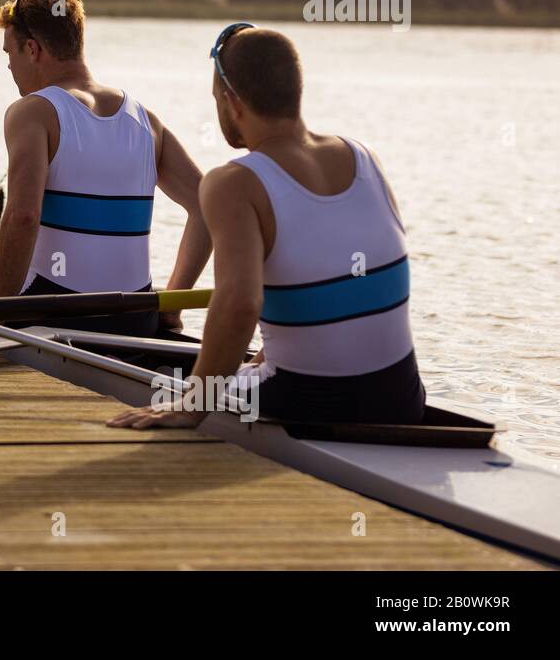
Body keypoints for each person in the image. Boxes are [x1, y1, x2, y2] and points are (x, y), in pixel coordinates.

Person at [109, 24, 426, 428]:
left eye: (215, 101)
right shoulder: (365, 158)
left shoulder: (233, 182)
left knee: (179, 386)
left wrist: (192, 405)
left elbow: (239, 305)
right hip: (402, 399)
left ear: (232, 102)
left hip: (307, 401)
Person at [0, 0, 211, 336]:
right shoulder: (146, 120)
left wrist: (0, 318)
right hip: (136, 315)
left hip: (53, 311)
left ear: (32, 50)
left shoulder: (32, 112)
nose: (8, 66)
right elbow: (208, 207)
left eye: (9, 53)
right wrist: (172, 303)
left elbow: (22, 217)